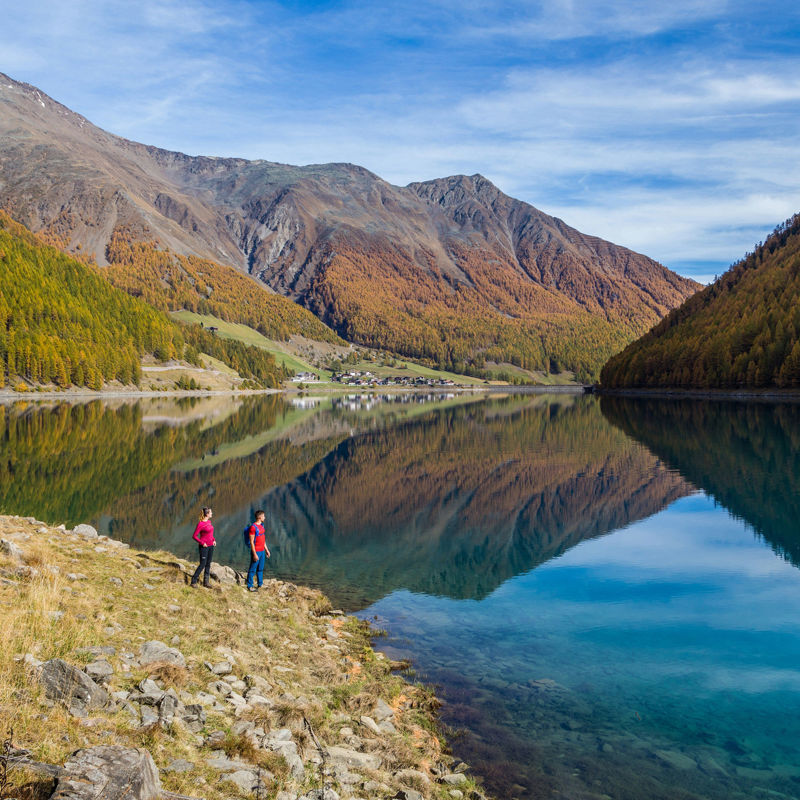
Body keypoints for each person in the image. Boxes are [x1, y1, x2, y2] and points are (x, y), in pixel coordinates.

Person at [246, 509, 271, 592]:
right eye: (264, 516)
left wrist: (266, 550)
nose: (265, 517)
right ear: (260, 517)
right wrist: (254, 554)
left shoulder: (262, 526)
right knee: (252, 569)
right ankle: (250, 586)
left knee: (260, 568)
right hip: (256, 551)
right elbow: (252, 542)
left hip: (262, 551)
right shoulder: (253, 528)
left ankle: (260, 584)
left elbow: (263, 540)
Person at [190, 507, 215, 588]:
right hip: (204, 547)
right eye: (211, 512)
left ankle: (206, 582)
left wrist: (213, 540)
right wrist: (202, 543)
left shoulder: (209, 522)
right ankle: (193, 581)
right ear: (207, 514)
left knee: (208, 564)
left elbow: (210, 534)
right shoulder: (200, 524)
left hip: (211, 545)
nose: (212, 513)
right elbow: (194, 536)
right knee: (202, 564)